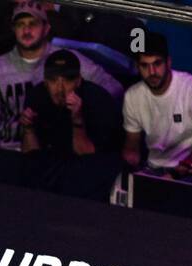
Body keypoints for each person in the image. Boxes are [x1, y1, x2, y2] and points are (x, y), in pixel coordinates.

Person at [0, 0, 122, 151]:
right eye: (21, 25)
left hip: (54, 151)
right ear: (13, 29)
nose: (27, 30)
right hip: (7, 150)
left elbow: (113, 88)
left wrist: (84, 112)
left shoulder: (66, 59)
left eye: (33, 23)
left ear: (46, 28)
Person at [19, 49, 122, 199]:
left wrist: (77, 120)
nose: (60, 89)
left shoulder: (98, 100)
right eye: (54, 80)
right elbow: (31, 155)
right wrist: (28, 130)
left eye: (67, 80)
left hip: (90, 172)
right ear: (46, 82)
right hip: (54, 168)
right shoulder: (36, 97)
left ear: (78, 81)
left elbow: (87, 155)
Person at [121, 31, 192, 172]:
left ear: (168, 62)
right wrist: (132, 166)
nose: (152, 72)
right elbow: (132, 145)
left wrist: (178, 173)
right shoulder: (132, 96)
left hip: (191, 170)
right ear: (138, 67)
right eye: (145, 66)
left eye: (157, 63)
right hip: (153, 168)